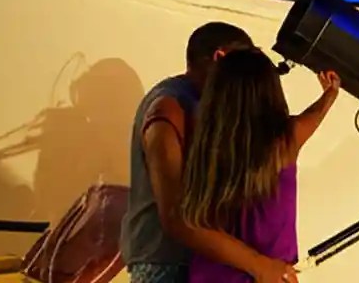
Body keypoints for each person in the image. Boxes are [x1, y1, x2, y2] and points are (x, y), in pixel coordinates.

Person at [121, 23, 297, 283]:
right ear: (220, 57)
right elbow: (176, 216)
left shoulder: (209, 106)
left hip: (203, 266)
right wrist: (259, 265)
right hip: (167, 265)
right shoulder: (168, 108)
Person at [181, 48, 341, 283]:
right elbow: (312, 117)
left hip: (209, 275)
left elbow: (195, 222)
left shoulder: (205, 145)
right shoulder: (285, 141)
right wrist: (330, 94)